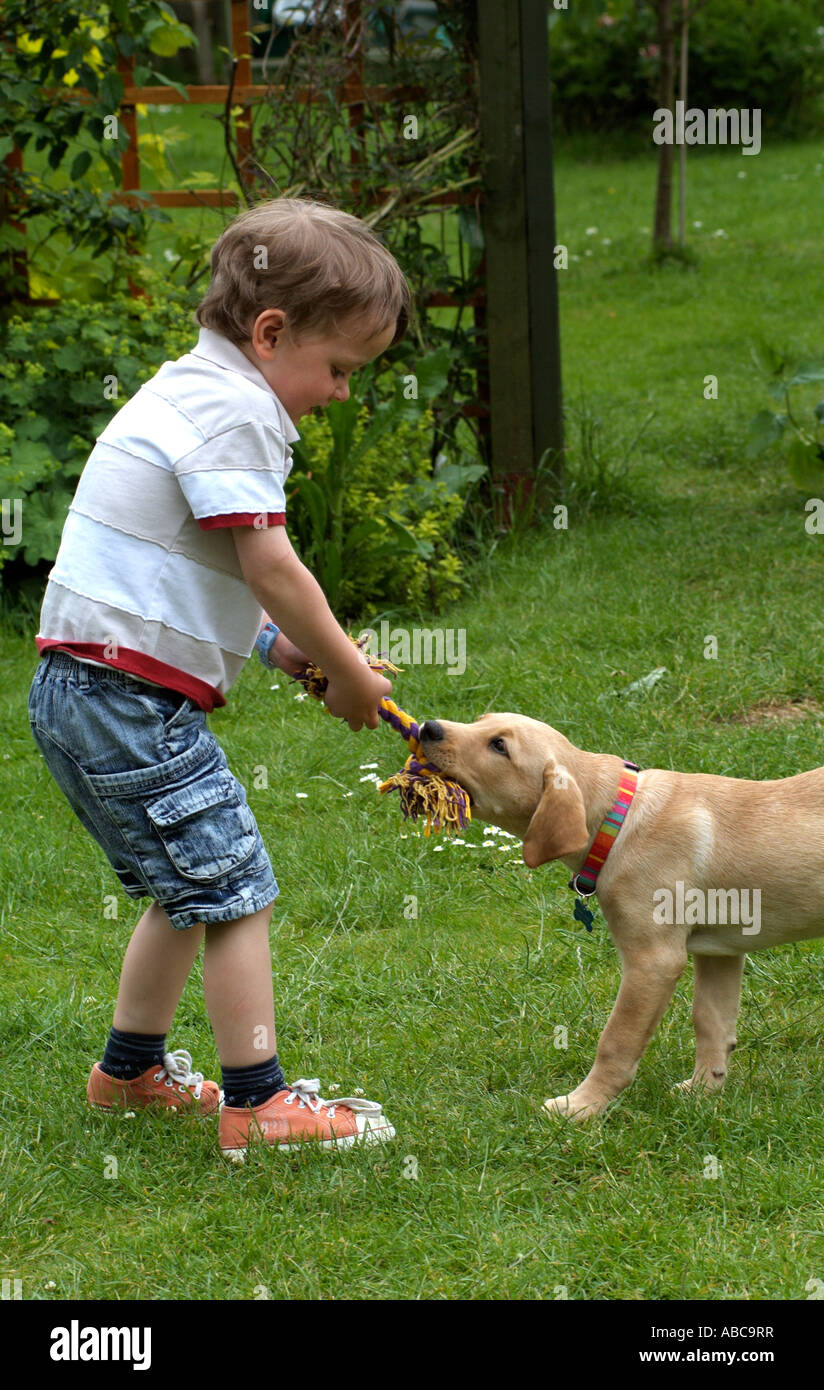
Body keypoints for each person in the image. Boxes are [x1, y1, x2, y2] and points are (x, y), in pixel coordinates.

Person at [27, 197, 413, 1160]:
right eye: (338, 369)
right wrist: (346, 671)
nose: (340, 393)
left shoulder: (183, 392)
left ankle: (130, 1073)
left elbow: (174, 581)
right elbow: (270, 564)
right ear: (271, 332)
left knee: (187, 886)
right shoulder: (238, 410)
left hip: (82, 691)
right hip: (125, 704)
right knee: (237, 889)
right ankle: (259, 1100)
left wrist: (280, 652)